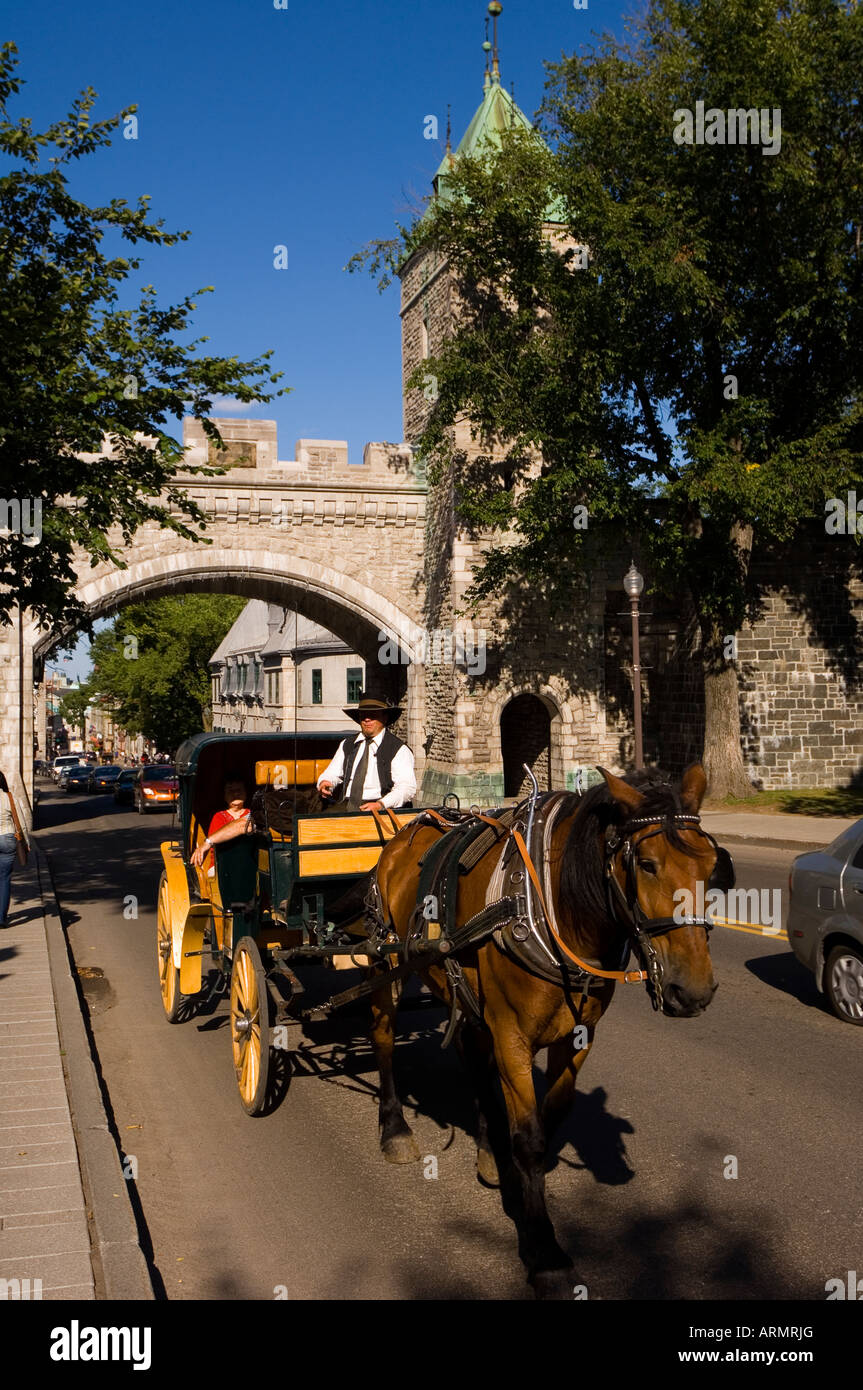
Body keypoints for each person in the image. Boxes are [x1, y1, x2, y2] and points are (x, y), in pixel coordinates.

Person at [317, 694, 416, 811]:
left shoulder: (398, 749)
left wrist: (381, 804)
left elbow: (406, 787)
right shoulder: (347, 744)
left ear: (385, 718)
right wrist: (326, 782)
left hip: (381, 808)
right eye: (363, 715)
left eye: (373, 715)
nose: (367, 719)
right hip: (347, 805)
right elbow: (332, 772)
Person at [191, 779, 250, 869]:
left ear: (245, 793)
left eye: (239, 790)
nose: (235, 794)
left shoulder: (252, 814)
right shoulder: (219, 817)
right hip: (222, 863)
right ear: (225, 796)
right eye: (230, 791)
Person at [0, 770, 19, 926]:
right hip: (7, 837)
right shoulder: (8, 797)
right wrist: (25, 842)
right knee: (4, 878)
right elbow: (19, 820)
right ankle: (1, 918)